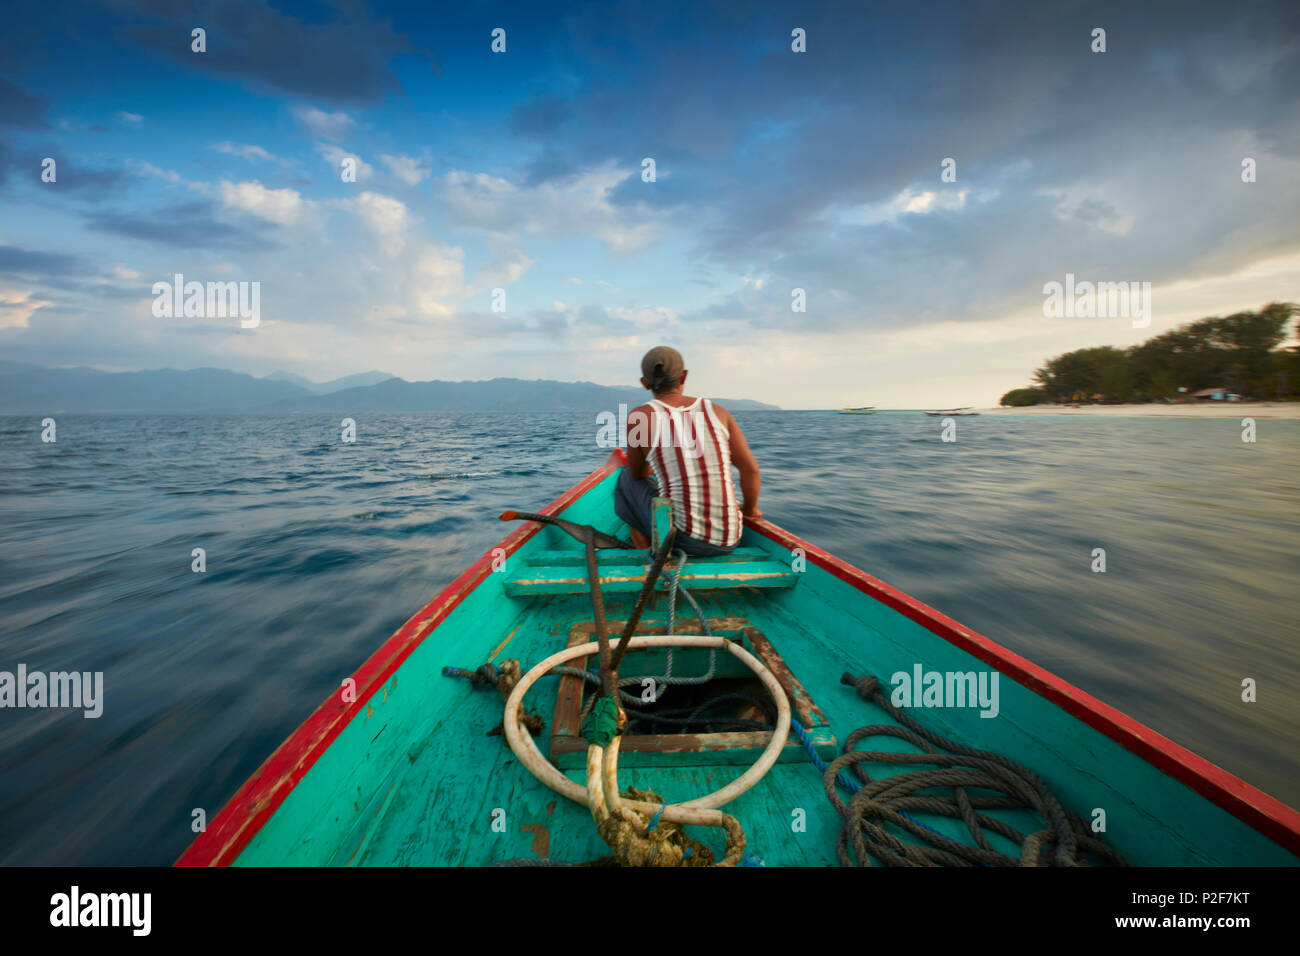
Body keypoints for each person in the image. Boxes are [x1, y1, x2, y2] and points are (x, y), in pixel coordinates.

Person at [614, 346, 761, 556]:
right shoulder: (718, 412)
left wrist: (653, 469)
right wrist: (750, 510)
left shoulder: (640, 417)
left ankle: (648, 555)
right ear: (684, 377)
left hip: (682, 539)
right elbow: (751, 470)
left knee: (626, 479)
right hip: (731, 538)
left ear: (644, 383)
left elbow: (638, 474)